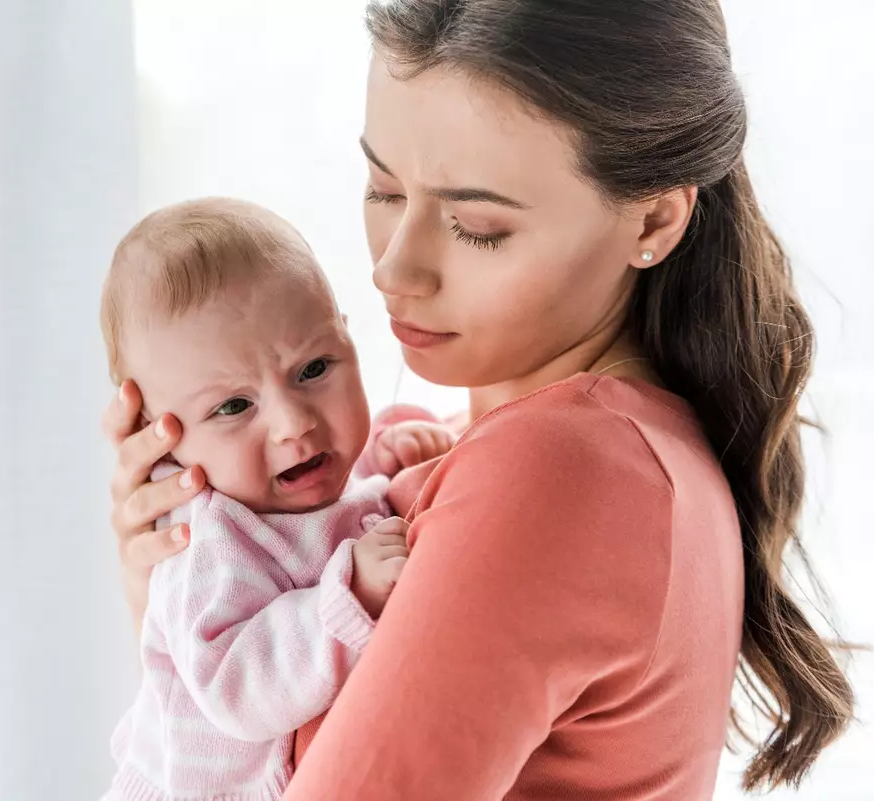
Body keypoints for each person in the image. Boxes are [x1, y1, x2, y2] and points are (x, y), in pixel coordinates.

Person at [101, 1, 855, 797]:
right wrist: (179, 590)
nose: (393, 269)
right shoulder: (470, 449)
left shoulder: (562, 468)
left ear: (657, 215)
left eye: (474, 224)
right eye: (383, 189)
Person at [99, 197, 454, 800]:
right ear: (163, 443)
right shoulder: (211, 540)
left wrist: (386, 458)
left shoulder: (293, 484)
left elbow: (336, 510)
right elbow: (236, 684)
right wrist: (348, 595)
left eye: (314, 368)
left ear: (347, 335)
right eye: (234, 406)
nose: (293, 423)